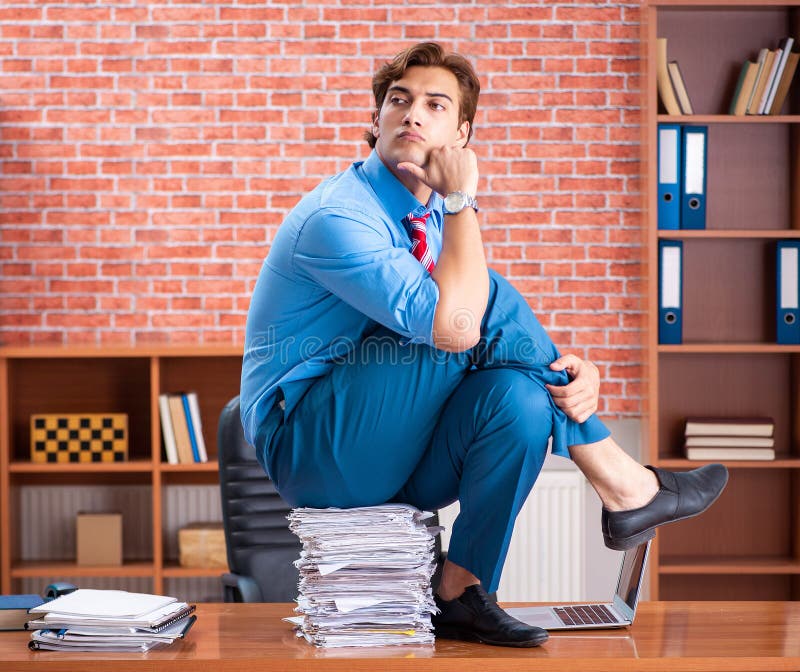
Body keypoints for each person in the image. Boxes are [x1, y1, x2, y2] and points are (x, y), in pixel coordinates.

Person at [240, 42, 728, 648]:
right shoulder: (339, 215)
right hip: (313, 447)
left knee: (519, 398)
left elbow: (474, 337)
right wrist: (463, 198)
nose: (411, 114)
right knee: (476, 299)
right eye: (398, 100)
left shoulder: (436, 217)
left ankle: (461, 592)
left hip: (397, 446)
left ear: (461, 134)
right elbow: (456, 329)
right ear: (376, 120)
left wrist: (563, 377)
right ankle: (622, 481)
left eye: (434, 105)